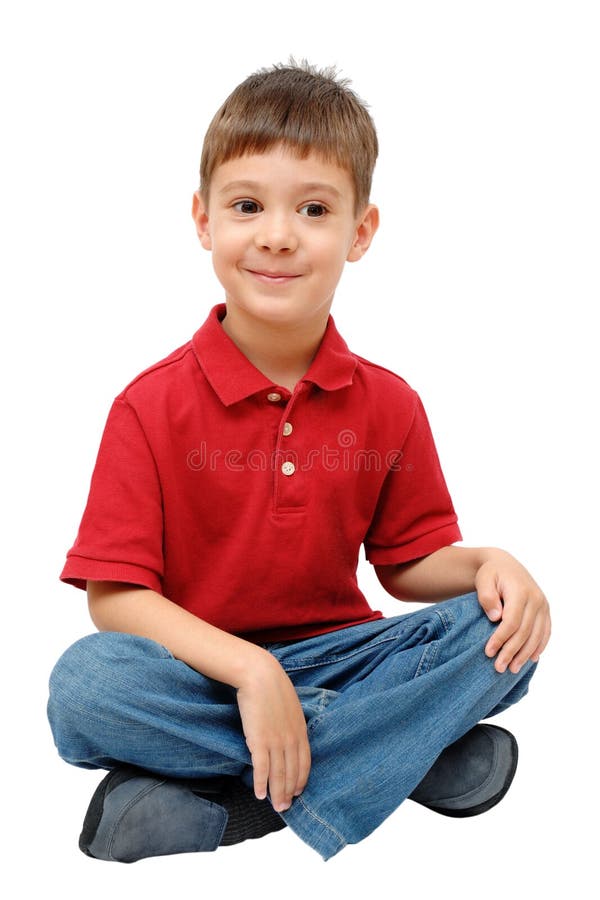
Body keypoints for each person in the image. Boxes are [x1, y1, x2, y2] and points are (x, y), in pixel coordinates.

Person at [47, 60, 551, 863]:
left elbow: (408, 565)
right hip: (201, 671)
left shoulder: (389, 403)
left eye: (313, 209)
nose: (277, 234)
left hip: (346, 656)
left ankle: (236, 804)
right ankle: (405, 755)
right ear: (203, 219)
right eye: (248, 205)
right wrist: (252, 673)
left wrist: (492, 563)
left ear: (360, 231)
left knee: (502, 637)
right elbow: (116, 600)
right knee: (87, 689)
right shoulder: (148, 406)